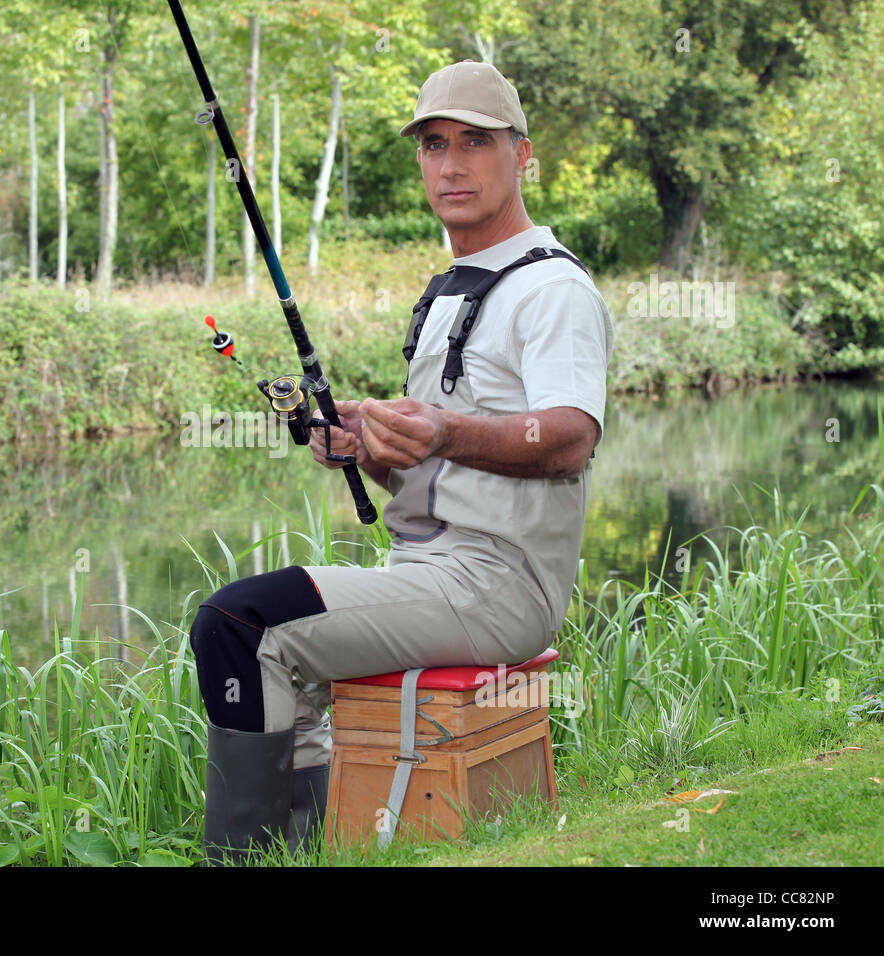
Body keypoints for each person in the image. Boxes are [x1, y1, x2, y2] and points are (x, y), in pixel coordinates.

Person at [188, 60, 614, 865]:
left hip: (499, 584)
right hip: (428, 567)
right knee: (271, 649)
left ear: (523, 155)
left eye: (475, 143)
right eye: (433, 144)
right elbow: (433, 469)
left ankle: (237, 861)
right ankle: (312, 850)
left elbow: (568, 439)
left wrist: (444, 431)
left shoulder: (551, 290)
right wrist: (371, 447)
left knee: (237, 624)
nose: (451, 165)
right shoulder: (451, 290)